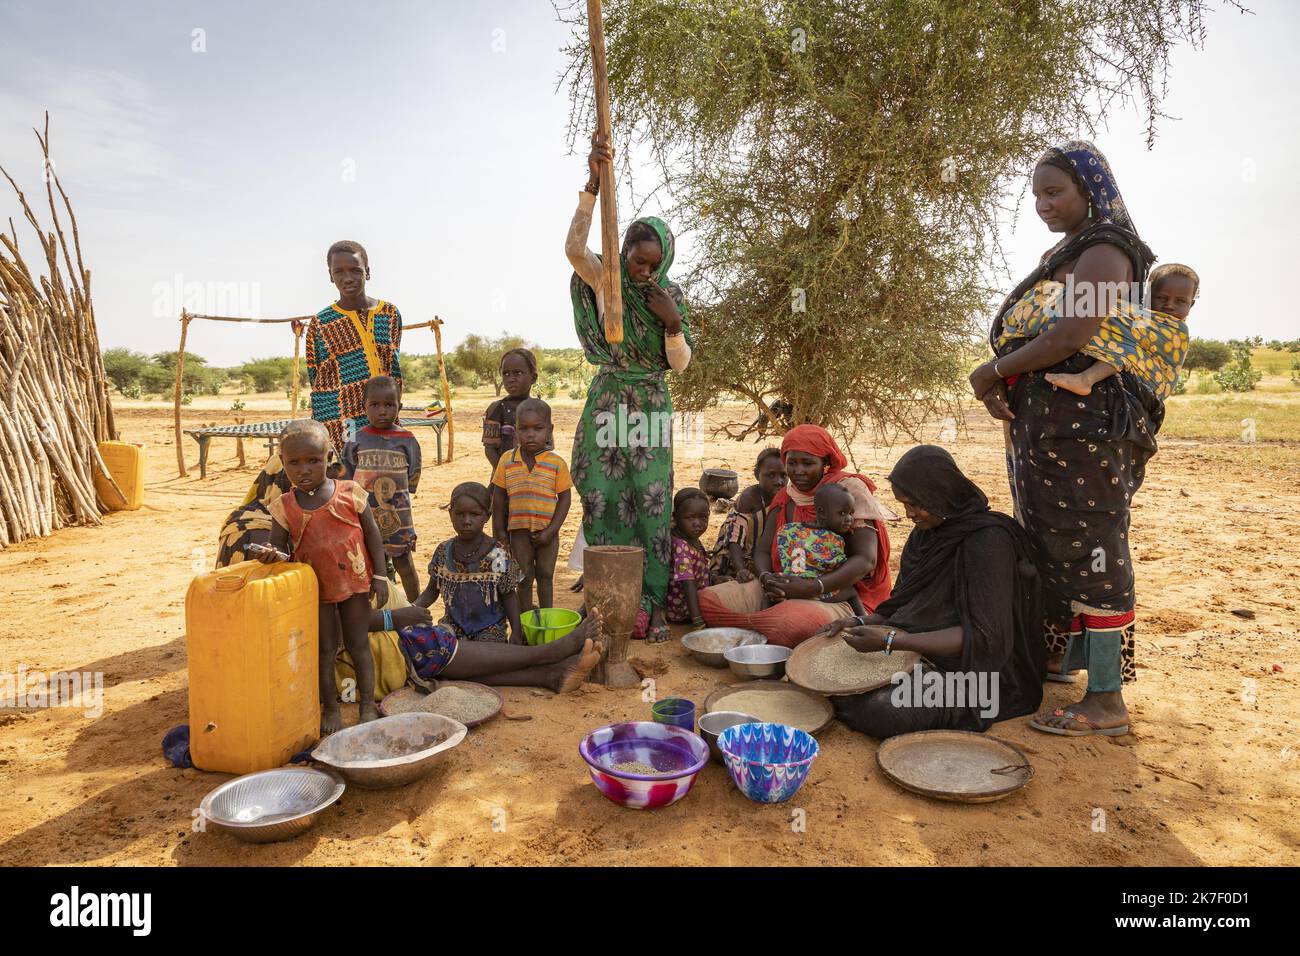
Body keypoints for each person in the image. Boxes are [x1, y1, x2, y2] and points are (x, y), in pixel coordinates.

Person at [968, 141, 1159, 737]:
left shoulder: (1105, 250)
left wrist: (990, 372)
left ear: (1091, 190)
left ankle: (1106, 700)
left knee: (1091, 543)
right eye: (1036, 196)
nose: (1043, 205)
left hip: (1085, 429)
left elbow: (1072, 333)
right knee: (1047, 538)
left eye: (1055, 192)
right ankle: (1055, 659)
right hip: (1050, 429)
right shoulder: (1072, 251)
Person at [818, 446, 1046, 738]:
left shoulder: (988, 541)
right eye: (904, 504)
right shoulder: (925, 535)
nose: (908, 514)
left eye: (915, 504)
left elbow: (986, 639)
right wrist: (860, 622)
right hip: (917, 652)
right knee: (824, 660)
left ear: (941, 494)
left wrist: (894, 641)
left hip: (979, 675)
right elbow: (902, 604)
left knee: (884, 710)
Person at [565, 131, 693, 644]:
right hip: (608, 396)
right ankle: (606, 593)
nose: (644, 271)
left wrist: (673, 322)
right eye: (637, 260)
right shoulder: (604, 278)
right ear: (623, 251)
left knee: (651, 498)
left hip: (651, 402)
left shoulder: (669, 295)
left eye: (653, 263)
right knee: (602, 491)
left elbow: (680, 365)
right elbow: (574, 247)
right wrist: (591, 187)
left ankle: (654, 601)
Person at [698, 424, 892, 647]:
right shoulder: (786, 496)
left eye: (808, 463)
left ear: (825, 463)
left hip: (834, 593)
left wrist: (813, 587)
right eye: (792, 463)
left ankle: (750, 630)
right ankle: (765, 629)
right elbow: (762, 550)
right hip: (785, 585)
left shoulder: (848, 491)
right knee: (707, 600)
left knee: (790, 621)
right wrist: (766, 578)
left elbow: (866, 560)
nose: (798, 471)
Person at [256, 420, 388, 735]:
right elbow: (279, 546)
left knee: (359, 645)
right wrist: (270, 552)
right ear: (282, 464)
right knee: (324, 649)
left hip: (355, 584)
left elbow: (372, 535)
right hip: (315, 591)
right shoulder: (284, 506)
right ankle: (330, 708)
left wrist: (381, 577)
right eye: (294, 463)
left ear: (329, 457)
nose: (305, 469)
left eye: (314, 460)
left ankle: (367, 704)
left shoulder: (350, 492)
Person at [346, 564, 605, 696]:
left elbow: (508, 592)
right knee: (436, 645)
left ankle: (550, 675)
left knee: (446, 662)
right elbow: (347, 622)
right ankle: (550, 652)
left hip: (393, 643)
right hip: (375, 649)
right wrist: (398, 617)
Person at [1043, 262, 1197, 397]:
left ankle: (1085, 380)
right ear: (1148, 295)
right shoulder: (1135, 314)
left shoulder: (1176, 331)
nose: (1169, 305)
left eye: (1180, 301)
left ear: (1191, 304)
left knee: (1128, 351)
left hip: (1155, 379)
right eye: (1161, 298)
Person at [307, 240, 403, 455]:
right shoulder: (321, 323)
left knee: (386, 479)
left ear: (367, 272)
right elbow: (316, 379)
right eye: (339, 271)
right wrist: (325, 430)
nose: (348, 278)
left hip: (385, 416)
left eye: (355, 270)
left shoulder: (389, 314)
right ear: (331, 276)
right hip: (344, 423)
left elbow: (392, 365)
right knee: (349, 478)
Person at [341, 375, 422, 601]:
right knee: (364, 566)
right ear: (364, 406)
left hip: (398, 519)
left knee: (404, 565)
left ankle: (417, 609)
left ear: (400, 407)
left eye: (389, 405)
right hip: (363, 520)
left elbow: (413, 476)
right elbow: (346, 480)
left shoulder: (407, 440)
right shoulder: (355, 440)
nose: (382, 411)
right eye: (374, 405)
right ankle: (371, 613)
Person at [491, 399, 572, 613]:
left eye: (538, 428)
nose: (530, 434)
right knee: (524, 578)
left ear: (549, 430)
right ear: (516, 431)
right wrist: (499, 531)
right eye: (523, 428)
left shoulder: (556, 463)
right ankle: (526, 622)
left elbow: (565, 498)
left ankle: (547, 618)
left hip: (548, 533)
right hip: (519, 532)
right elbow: (498, 496)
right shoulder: (507, 460)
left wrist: (551, 530)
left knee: (545, 576)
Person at [775, 483, 867, 617]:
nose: (849, 519)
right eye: (842, 513)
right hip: (815, 592)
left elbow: (793, 561)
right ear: (822, 513)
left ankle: (762, 613)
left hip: (791, 585)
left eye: (851, 513)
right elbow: (838, 569)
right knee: (851, 591)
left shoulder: (792, 529)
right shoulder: (834, 540)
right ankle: (864, 621)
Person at [710, 447, 785, 583]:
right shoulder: (749, 499)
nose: (778, 481)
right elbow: (734, 539)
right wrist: (740, 569)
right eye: (771, 475)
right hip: (735, 560)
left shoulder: (786, 498)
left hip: (762, 560)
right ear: (757, 475)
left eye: (783, 476)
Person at [483, 348, 540, 472]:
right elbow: (490, 449)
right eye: (506, 374)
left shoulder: (540, 409)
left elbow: (547, 446)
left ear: (533, 377)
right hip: (503, 480)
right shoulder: (496, 409)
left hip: (536, 476)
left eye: (518, 373)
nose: (511, 379)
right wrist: (507, 473)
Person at [665, 488, 712, 630]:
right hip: (681, 610)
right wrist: (698, 620)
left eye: (703, 517)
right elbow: (688, 583)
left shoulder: (692, 538)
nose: (697, 523)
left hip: (693, 601)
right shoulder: (681, 547)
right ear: (675, 517)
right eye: (690, 518)